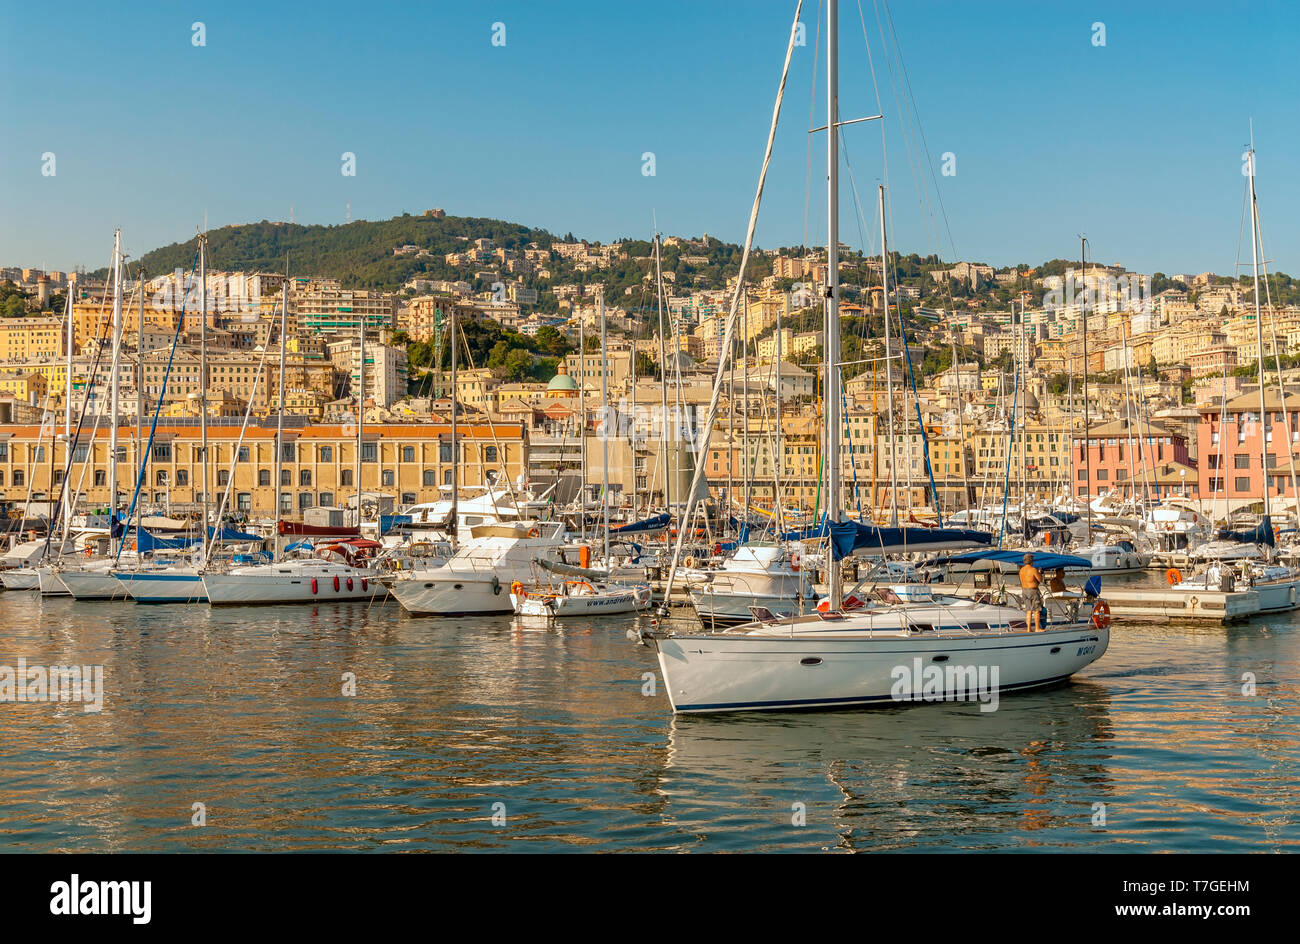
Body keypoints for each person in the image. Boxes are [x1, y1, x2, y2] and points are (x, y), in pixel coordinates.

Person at [1019, 552, 1044, 632]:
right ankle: (1037, 628)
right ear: (1031, 561)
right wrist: (1039, 572)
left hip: (1024, 591)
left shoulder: (1021, 570)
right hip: (1033, 591)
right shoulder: (1033, 570)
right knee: (1036, 610)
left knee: (1028, 611)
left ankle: (1028, 628)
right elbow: (1040, 580)